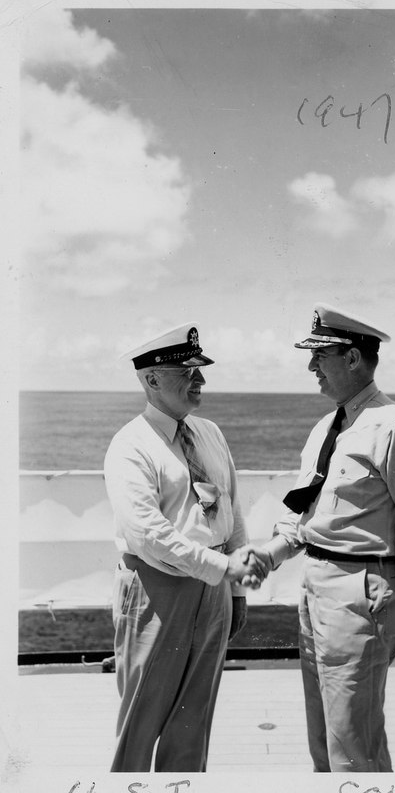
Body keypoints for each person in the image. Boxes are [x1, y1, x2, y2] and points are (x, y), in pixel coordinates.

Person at [260, 302, 395, 773]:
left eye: (320, 356)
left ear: (353, 359)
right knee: (324, 739)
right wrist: (272, 553)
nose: (311, 367)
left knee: (354, 748)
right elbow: (307, 513)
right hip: (316, 586)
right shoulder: (329, 426)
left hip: (362, 591)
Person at [104, 322, 268, 773]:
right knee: (141, 721)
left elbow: (229, 508)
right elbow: (149, 534)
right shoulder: (130, 447)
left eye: (199, 369)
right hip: (158, 590)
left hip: (213, 590)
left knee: (193, 722)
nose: (200, 380)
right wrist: (224, 568)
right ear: (151, 380)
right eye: (187, 371)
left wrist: (235, 594)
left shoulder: (210, 432)